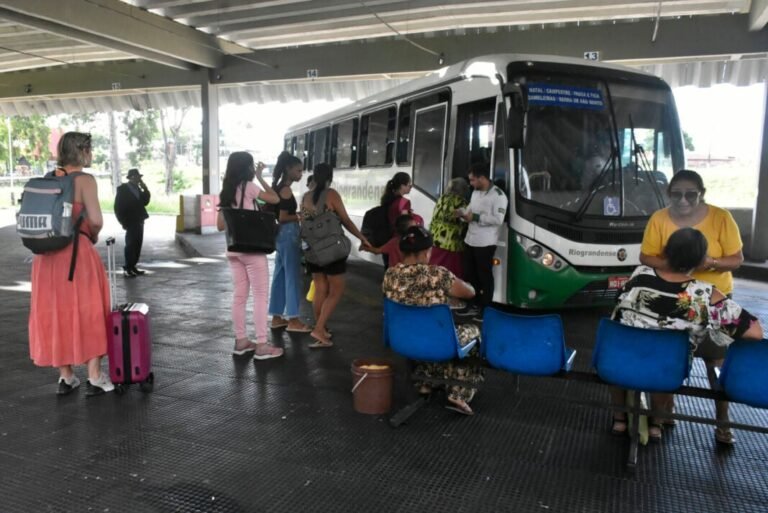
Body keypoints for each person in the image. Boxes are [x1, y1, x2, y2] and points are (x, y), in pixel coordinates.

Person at [612, 227, 763, 443]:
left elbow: (619, 304)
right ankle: (656, 423)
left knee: (628, 345)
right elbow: (755, 332)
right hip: (667, 370)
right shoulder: (704, 295)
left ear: (665, 252)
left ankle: (619, 418)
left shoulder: (639, 275)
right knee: (667, 358)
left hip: (617, 361)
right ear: (701, 260)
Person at [639, 169, 745, 443]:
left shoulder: (722, 218)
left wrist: (710, 263)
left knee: (716, 362)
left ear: (702, 194)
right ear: (668, 194)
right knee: (668, 356)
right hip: (673, 296)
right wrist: (678, 265)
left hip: (714, 299)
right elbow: (647, 256)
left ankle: (722, 422)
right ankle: (662, 414)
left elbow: (736, 259)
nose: (683, 200)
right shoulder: (659, 218)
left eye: (690, 195)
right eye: (676, 195)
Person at [28, 132, 115, 396]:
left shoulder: (48, 179)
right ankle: (95, 375)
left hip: (45, 258)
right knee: (89, 309)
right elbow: (96, 220)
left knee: (55, 311)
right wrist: (93, 235)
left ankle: (66, 376)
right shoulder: (85, 180)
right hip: (77, 255)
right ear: (83, 151)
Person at [382, 226, 482, 415]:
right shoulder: (438, 275)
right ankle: (458, 391)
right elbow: (470, 293)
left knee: (424, 331)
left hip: (402, 338)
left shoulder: (390, 275)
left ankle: (425, 381)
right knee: (473, 332)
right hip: (438, 341)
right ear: (426, 252)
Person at [216, 152, 284, 360]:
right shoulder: (249, 187)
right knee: (260, 296)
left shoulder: (226, 191)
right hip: (252, 250)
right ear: (247, 167)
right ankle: (262, 345)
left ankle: (241, 341)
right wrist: (260, 176)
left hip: (233, 250)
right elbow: (275, 198)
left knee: (239, 296)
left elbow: (220, 226)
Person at [300, 163, 370, 348]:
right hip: (331, 250)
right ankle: (319, 329)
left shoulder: (305, 197)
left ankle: (321, 329)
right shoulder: (331, 194)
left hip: (312, 251)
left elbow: (306, 223)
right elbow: (345, 220)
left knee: (320, 289)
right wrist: (362, 238)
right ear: (330, 177)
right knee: (336, 291)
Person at [455, 163, 508, 320]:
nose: (470, 183)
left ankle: (486, 309)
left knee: (484, 277)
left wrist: (476, 217)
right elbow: (470, 210)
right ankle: (472, 305)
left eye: (472, 180)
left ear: (482, 178)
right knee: (469, 274)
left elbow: (498, 219)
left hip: (485, 242)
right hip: (470, 239)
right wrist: (462, 214)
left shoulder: (498, 196)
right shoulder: (475, 193)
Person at [268, 152, 312, 333]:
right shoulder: (285, 190)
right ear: (288, 169)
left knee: (279, 276)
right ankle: (294, 320)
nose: (301, 174)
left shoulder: (278, 187)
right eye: (298, 171)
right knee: (293, 277)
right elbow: (283, 217)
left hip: (280, 236)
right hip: (288, 234)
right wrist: (300, 216)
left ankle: (277, 317)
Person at [429, 177, 469, 278]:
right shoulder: (461, 202)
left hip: (435, 239)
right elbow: (466, 220)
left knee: (435, 270)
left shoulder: (441, 198)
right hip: (451, 242)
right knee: (450, 274)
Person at [114, 167, 151, 277]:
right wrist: (122, 222)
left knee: (138, 244)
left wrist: (145, 189)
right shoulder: (123, 189)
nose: (138, 179)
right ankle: (127, 267)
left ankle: (133, 266)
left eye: (139, 177)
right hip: (130, 220)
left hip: (139, 219)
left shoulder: (138, 188)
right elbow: (118, 207)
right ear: (131, 178)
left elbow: (145, 202)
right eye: (136, 177)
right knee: (130, 244)